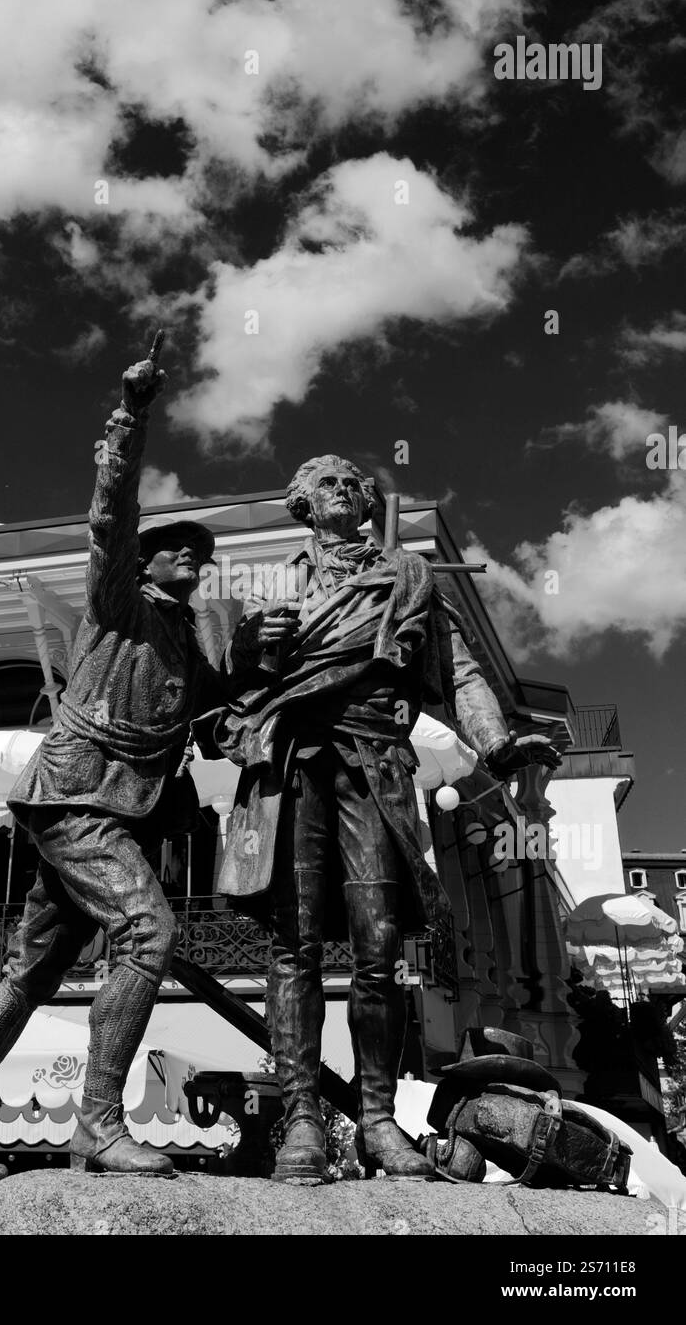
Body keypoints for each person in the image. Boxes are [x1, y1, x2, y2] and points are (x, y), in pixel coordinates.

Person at [0, 340, 292, 1189]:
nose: (194, 554)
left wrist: (258, 660)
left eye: (203, 551)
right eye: (178, 546)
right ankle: (99, 1123)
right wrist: (132, 414)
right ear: (145, 560)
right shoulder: (120, 600)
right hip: (77, 795)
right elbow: (109, 513)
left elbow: (213, 711)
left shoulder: (194, 641)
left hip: (114, 811)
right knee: (148, 931)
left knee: (32, 972)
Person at [212, 454, 561, 1183]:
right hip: (294, 765)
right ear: (302, 506)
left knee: (378, 949)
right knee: (294, 945)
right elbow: (231, 688)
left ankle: (376, 1120)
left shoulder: (410, 578)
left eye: (355, 483)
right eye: (330, 483)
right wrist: (249, 650)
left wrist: (496, 743)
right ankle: (302, 1116)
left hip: (375, 763)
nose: (348, 490)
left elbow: (458, 668)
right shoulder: (272, 587)